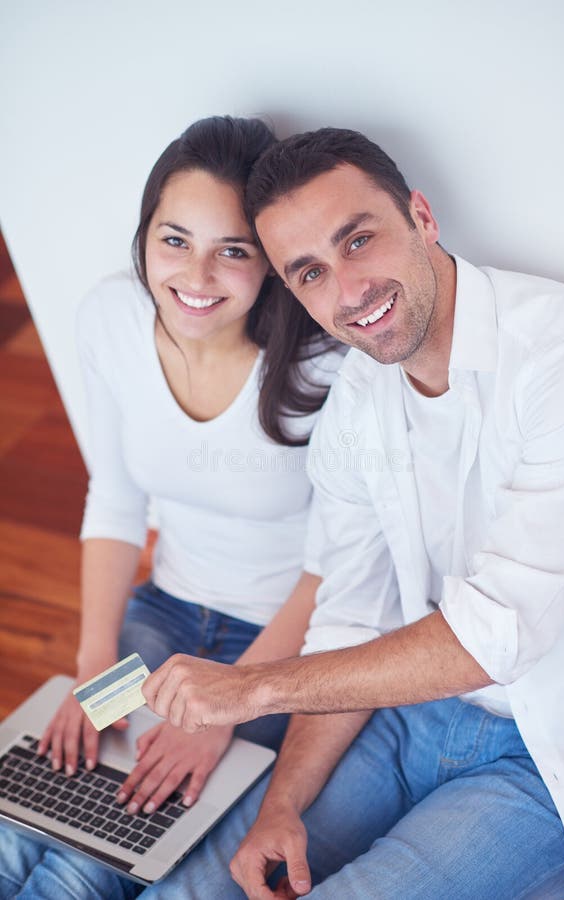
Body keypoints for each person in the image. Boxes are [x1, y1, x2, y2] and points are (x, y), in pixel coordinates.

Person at [135, 127, 564, 899]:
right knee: (199, 888)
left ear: (420, 216)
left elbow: (498, 635)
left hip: (553, 746)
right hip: (405, 710)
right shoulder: (355, 397)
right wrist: (282, 804)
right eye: (311, 272)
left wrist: (252, 689)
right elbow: (350, 615)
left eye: (358, 240)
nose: (348, 291)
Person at [0, 117, 342, 900]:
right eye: (174, 240)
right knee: (26, 814)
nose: (196, 275)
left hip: (274, 651)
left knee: (89, 863)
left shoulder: (324, 362)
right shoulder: (110, 316)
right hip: (164, 615)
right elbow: (116, 499)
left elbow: (332, 572)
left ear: (270, 261)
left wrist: (223, 711)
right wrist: (93, 668)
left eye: (233, 251)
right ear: (144, 235)